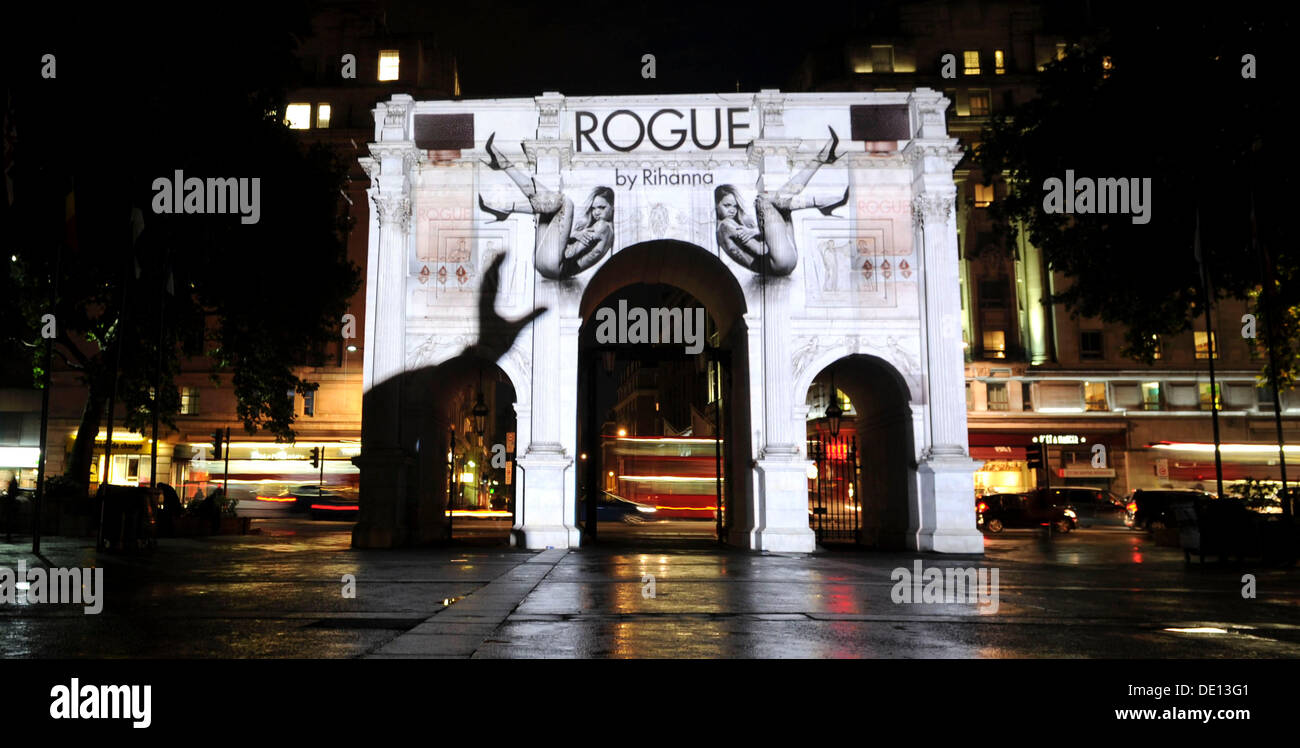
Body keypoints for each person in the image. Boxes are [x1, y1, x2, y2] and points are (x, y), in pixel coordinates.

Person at [477, 133, 615, 279]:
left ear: (612, 207)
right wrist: (576, 235)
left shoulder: (602, 227)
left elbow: (568, 253)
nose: (596, 213)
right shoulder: (606, 230)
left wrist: (575, 235)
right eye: (594, 208)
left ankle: (505, 206)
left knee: (565, 202)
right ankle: (503, 168)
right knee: (546, 199)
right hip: (549, 265)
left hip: (556, 266)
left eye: (602, 208)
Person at [717, 126, 850, 276]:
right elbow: (763, 250)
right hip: (777, 262)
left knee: (780, 203)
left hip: (784, 259)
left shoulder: (731, 226)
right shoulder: (726, 226)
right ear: (716, 206)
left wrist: (752, 232)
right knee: (764, 200)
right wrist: (753, 233)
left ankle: (822, 170)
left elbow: (763, 243)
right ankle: (823, 193)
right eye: (727, 205)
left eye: (734, 206)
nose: (732, 210)